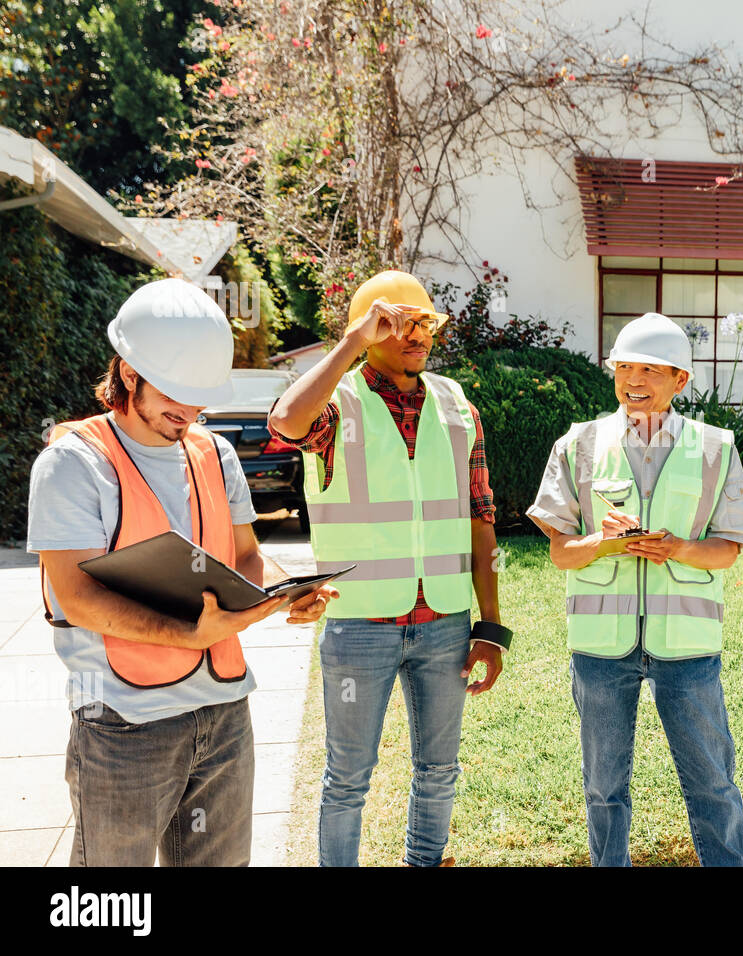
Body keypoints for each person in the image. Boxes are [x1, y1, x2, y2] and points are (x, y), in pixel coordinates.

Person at [29, 277, 338, 867]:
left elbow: (245, 556)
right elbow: (75, 599)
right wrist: (187, 634)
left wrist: (283, 591)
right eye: (175, 393)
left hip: (223, 714)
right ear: (126, 372)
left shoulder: (214, 454)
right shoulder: (73, 465)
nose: (190, 412)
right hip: (123, 724)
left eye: (199, 397)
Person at [267, 270, 511, 867]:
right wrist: (351, 344)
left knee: (439, 769)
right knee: (348, 777)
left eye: (423, 323)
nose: (415, 335)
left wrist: (491, 624)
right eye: (397, 323)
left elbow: (482, 517)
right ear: (368, 328)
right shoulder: (339, 404)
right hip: (360, 625)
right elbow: (286, 422)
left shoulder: (458, 406)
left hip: (445, 622)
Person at [527, 312, 743, 866]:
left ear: (680, 381)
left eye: (650, 369)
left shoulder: (715, 448)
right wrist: (604, 544)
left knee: (712, 783)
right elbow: (561, 552)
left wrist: (677, 547)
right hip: (600, 649)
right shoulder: (577, 444)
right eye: (624, 366)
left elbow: (727, 549)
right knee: (603, 789)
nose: (634, 379)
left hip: (688, 647)